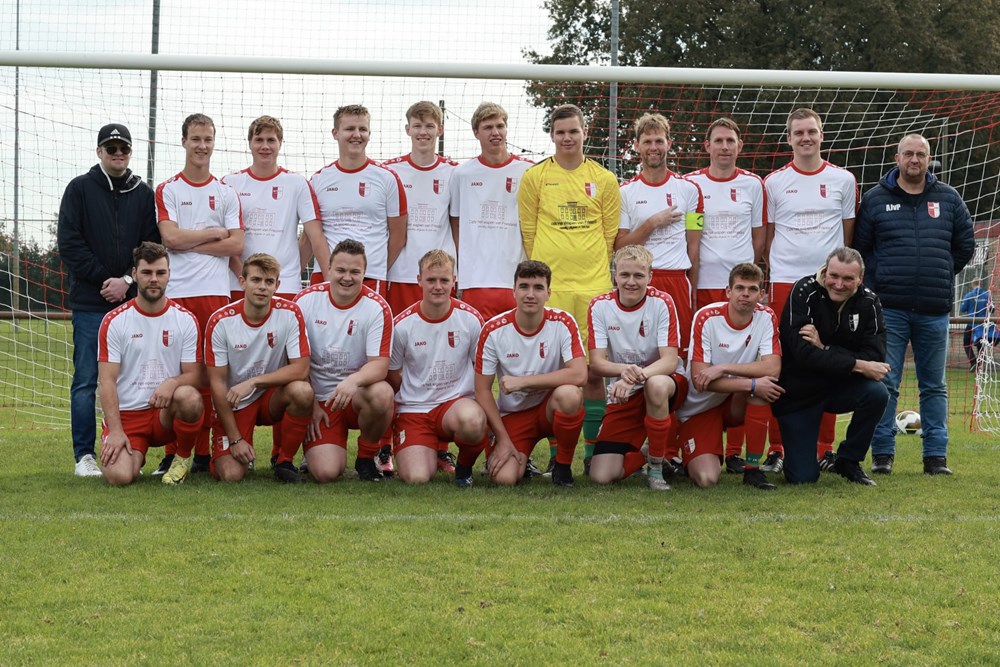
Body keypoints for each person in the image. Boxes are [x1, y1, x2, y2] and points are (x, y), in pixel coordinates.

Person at [854, 133, 975, 476]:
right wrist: (883, 283)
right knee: (886, 383)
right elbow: (864, 250)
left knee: (934, 385)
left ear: (928, 159)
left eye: (920, 154)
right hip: (888, 309)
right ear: (897, 158)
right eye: (908, 154)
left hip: (934, 310)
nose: (914, 160)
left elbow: (964, 245)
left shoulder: (948, 198)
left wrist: (938, 271)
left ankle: (935, 456)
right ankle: (882, 453)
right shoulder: (876, 199)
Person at [518, 103, 620, 473]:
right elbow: (528, 233)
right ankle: (551, 456)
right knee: (550, 370)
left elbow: (609, 236)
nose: (567, 138)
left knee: (593, 372)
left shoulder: (605, 179)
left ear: (584, 133)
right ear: (552, 136)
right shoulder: (535, 178)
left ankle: (592, 453)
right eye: (560, 132)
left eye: (573, 131)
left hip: (593, 289)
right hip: (554, 290)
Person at [57, 122, 158, 477]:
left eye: (123, 149)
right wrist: (106, 280)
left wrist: (129, 280)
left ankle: (136, 446)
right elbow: (69, 243)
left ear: (130, 153)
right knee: (86, 380)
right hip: (91, 302)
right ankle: (84, 455)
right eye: (111, 148)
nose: (118, 154)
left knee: (140, 376)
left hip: (132, 304)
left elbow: (150, 245)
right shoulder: (79, 189)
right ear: (99, 151)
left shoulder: (143, 194)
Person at [763, 108, 858, 473]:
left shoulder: (843, 180)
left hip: (828, 285)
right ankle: (776, 447)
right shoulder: (773, 182)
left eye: (812, 131)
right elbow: (767, 238)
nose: (805, 138)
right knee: (781, 362)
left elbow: (847, 237)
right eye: (798, 132)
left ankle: (824, 446)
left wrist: (834, 279)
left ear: (822, 135)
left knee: (826, 357)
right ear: (789, 138)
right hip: (785, 282)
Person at [154, 113, 245, 477]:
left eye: (207, 139)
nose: (202, 146)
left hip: (213, 295)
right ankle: (177, 450)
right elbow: (170, 239)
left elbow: (237, 243)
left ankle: (208, 452)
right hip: (177, 296)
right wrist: (215, 234)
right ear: (184, 141)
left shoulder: (225, 193)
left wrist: (197, 240)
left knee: (212, 376)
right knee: (179, 374)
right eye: (195, 138)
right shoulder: (168, 189)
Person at [685, 117, 766, 474]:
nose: (724, 147)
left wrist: (751, 278)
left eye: (730, 141)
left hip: (742, 292)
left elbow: (759, 236)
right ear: (707, 146)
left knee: (744, 360)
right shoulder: (693, 186)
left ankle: (734, 449)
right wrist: (692, 283)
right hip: (704, 289)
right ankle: (685, 439)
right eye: (717, 140)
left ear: (739, 146)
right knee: (696, 368)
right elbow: (692, 238)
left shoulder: (753, 185)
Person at [772, 247, 889, 486]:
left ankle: (849, 460)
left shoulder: (869, 301)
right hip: (799, 392)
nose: (839, 284)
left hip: (840, 387)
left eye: (848, 278)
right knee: (803, 478)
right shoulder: (803, 291)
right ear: (825, 272)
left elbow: (874, 357)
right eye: (834, 276)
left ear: (859, 279)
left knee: (877, 393)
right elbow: (802, 353)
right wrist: (856, 363)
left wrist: (824, 347)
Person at [97, 242, 203, 486]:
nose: (154, 279)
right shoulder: (115, 321)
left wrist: (172, 383)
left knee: (189, 396)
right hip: (129, 417)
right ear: (135, 275)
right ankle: (135, 454)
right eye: (146, 273)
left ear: (169, 274)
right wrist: (115, 430)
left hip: (164, 414)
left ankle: (182, 459)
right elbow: (107, 381)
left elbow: (194, 375)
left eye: (160, 273)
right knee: (120, 477)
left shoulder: (185, 320)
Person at [475, 260, 587, 487]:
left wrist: (524, 382)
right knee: (504, 480)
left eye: (538, 288)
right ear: (513, 290)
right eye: (524, 286)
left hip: (549, 409)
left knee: (570, 395)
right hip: (514, 416)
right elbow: (482, 390)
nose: (530, 294)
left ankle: (562, 467)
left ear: (548, 293)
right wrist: (504, 440)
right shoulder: (493, 329)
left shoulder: (563, 322)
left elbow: (579, 375)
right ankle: (517, 456)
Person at [204, 253, 314, 484]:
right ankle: (239, 444)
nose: (262, 287)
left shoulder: (290, 312)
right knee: (230, 476)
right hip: (235, 402)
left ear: (277, 285)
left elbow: (300, 370)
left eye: (269, 281)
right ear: (242, 282)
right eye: (256, 280)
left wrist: (253, 382)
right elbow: (217, 384)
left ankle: (284, 461)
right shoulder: (221, 321)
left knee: (302, 391)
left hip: (270, 398)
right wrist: (234, 439)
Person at [673, 262, 782, 490]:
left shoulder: (766, 316)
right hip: (699, 409)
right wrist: (751, 382)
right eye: (740, 288)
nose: (746, 294)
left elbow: (772, 368)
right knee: (706, 479)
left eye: (752, 289)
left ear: (761, 294)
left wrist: (723, 368)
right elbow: (699, 379)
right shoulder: (707, 317)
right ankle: (679, 448)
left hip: (733, 401)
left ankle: (753, 470)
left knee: (762, 388)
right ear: (728, 292)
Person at [294, 239, 396, 483]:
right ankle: (309, 451)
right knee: (325, 472)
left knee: (382, 393)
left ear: (364, 273)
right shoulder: (304, 301)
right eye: (340, 270)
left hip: (356, 397)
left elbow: (380, 365)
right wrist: (311, 406)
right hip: (321, 402)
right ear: (328, 270)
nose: (347, 278)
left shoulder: (377, 307)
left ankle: (366, 457)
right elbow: (293, 361)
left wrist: (354, 381)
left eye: (355, 272)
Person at [587, 245, 684, 490]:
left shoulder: (662, 302)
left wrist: (632, 377)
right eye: (625, 275)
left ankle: (655, 468)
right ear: (614, 276)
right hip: (625, 391)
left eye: (639, 276)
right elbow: (597, 363)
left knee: (656, 385)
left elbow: (669, 361)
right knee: (602, 476)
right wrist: (624, 372)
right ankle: (647, 450)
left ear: (650, 277)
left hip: (665, 381)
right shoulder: (599, 305)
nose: (631, 282)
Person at [388, 250, 488, 486]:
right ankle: (424, 447)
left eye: (444, 280)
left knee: (473, 421)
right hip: (415, 410)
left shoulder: (471, 319)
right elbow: (392, 374)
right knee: (417, 478)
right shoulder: (402, 325)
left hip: (454, 405)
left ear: (454, 281)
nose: (438, 286)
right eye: (431, 280)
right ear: (419, 280)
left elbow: (482, 371)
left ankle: (464, 469)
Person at [616, 113, 704, 360]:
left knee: (678, 354)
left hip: (676, 280)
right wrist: (652, 223)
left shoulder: (690, 189)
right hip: (639, 281)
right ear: (636, 146)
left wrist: (692, 288)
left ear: (669, 143)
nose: (653, 147)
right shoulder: (625, 192)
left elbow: (694, 246)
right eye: (647, 142)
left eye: (658, 141)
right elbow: (619, 245)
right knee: (635, 353)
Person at [305, 104, 407, 295]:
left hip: (370, 277)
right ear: (335, 133)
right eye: (350, 129)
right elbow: (309, 236)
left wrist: (375, 267)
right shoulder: (318, 180)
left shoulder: (387, 178)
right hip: (326, 275)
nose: (357, 135)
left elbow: (398, 236)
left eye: (363, 129)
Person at [449, 102, 534, 321]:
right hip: (476, 280)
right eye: (488, 127)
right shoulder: (462, 174)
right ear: (476, 132)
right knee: (481, 351)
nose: (495, 132)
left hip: (518, 278)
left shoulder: (528, 170)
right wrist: (463, 267)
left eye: (500, 126)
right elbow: (456, 223)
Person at [222, 115, 320, 301]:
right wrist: (245, 277)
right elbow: (225, 239)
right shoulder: (230, 183)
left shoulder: (296, 183)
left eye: (271, 140)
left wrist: (290, 271)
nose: (265, 146)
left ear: (280, 143)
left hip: (284, 286)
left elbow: (313, 237)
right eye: (259, 140)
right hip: (239, 284)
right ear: (250, 143)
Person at [384, 102, 459, 315]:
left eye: (429, 126)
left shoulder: (455, 173)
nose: (423, 132)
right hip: (401, 273)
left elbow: (457, 224)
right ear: (407, 129)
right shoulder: (390, 171)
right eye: (417, 126)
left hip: (441, 274)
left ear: (440, 130)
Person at [960, 280, 994, 370]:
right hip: (983, 325)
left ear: (972, 285)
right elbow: (992, 309)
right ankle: (980, 366)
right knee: (980, 345)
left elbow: (962, 309)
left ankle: (973, 362)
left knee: (966, 344)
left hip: (971, 324)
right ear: (981, 284)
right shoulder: (987, 296)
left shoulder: (969, 295)